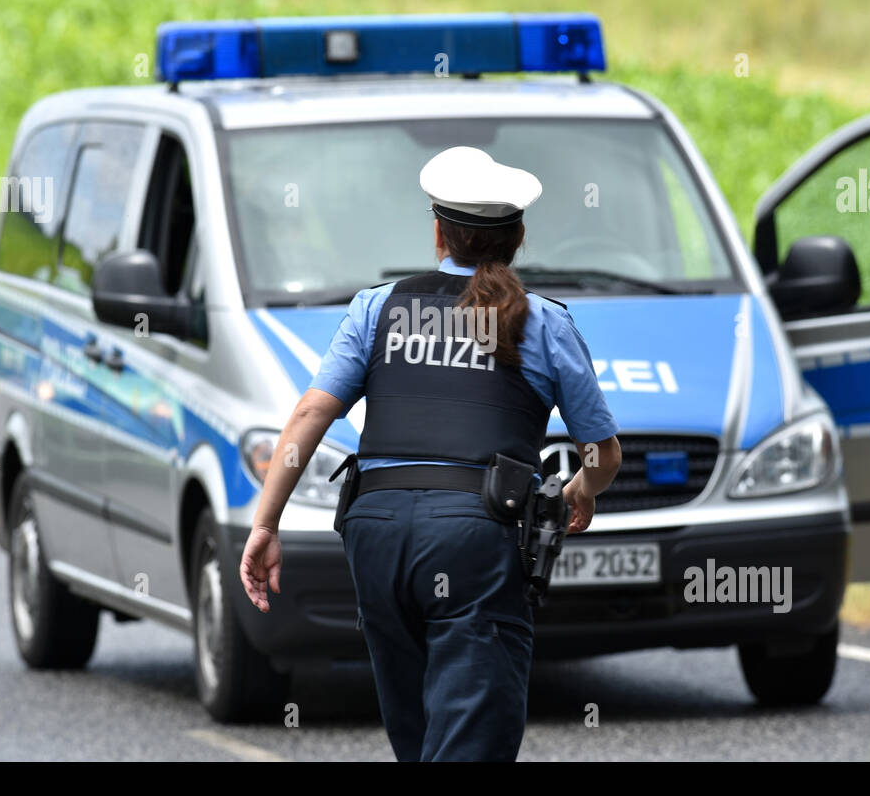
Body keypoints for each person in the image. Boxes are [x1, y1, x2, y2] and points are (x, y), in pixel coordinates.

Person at [239, 146, 621, 761]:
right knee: (470, 740)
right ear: (518, 238)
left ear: (438, 233)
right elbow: (601, 453)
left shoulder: (378, 307)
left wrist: (266, 523)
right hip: (476, 540)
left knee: (418, 739)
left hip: (377, 534)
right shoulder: (545, 322)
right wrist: (580, 492)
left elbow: (311, 414)